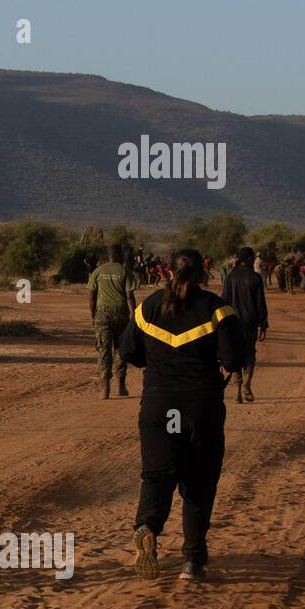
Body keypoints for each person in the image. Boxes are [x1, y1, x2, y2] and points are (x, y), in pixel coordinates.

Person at [120, 249, 244, 580]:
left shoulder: (148, 307)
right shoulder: (217, 309)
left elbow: (128, 350)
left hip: (160, 407)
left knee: (157, 476)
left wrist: (159, 365)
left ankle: (147, 525)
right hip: (200, 406)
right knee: (199, 482)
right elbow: (233, 357)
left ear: (169, 273)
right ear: (204, 271)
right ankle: (192, 560)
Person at [87, 244, 138, 398]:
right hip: (121, 314)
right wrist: (134, 315)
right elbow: (129, 296)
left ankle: (105, 388)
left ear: (108, 255)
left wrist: (93, 315)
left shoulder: (98, 271)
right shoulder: (125, 271)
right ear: (121, 255)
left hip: (102, 314)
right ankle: (121, 385)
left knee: (103, 350)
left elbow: (91, 297)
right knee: (120, 349)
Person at [223, 246, 269, 403]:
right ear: (249, 259)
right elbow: (260, 303)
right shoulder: (255, 278)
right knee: (250, 353)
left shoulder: (230, 278)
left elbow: (224, 302)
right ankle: (247, 385)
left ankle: (237, 391)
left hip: (232, 322)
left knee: (236, 354)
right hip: (250, 323)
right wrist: (264, 323)